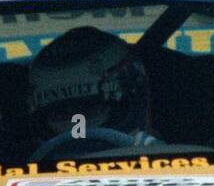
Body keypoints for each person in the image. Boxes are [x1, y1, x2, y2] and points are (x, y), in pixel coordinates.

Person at [24, 26, 153, 153]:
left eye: (92, 109)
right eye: (60, 114)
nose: (77, 126)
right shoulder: (24, 168)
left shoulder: (163, 158)